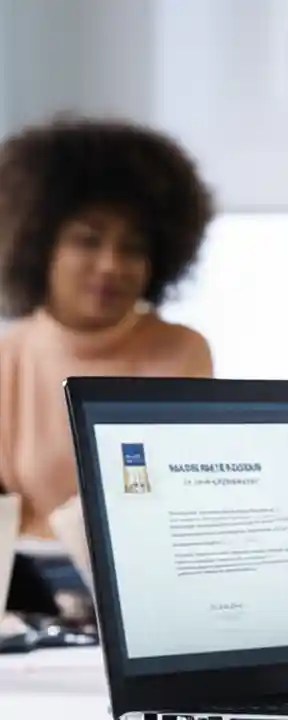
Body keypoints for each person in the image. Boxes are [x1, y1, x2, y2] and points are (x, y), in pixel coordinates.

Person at [0, 118, 214, 542]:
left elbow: (177, 496)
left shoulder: (181, 350)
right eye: (88, 240)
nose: (111, 265)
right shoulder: (11, 353)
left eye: (132, 248)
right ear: (39, 247)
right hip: (30, 574)